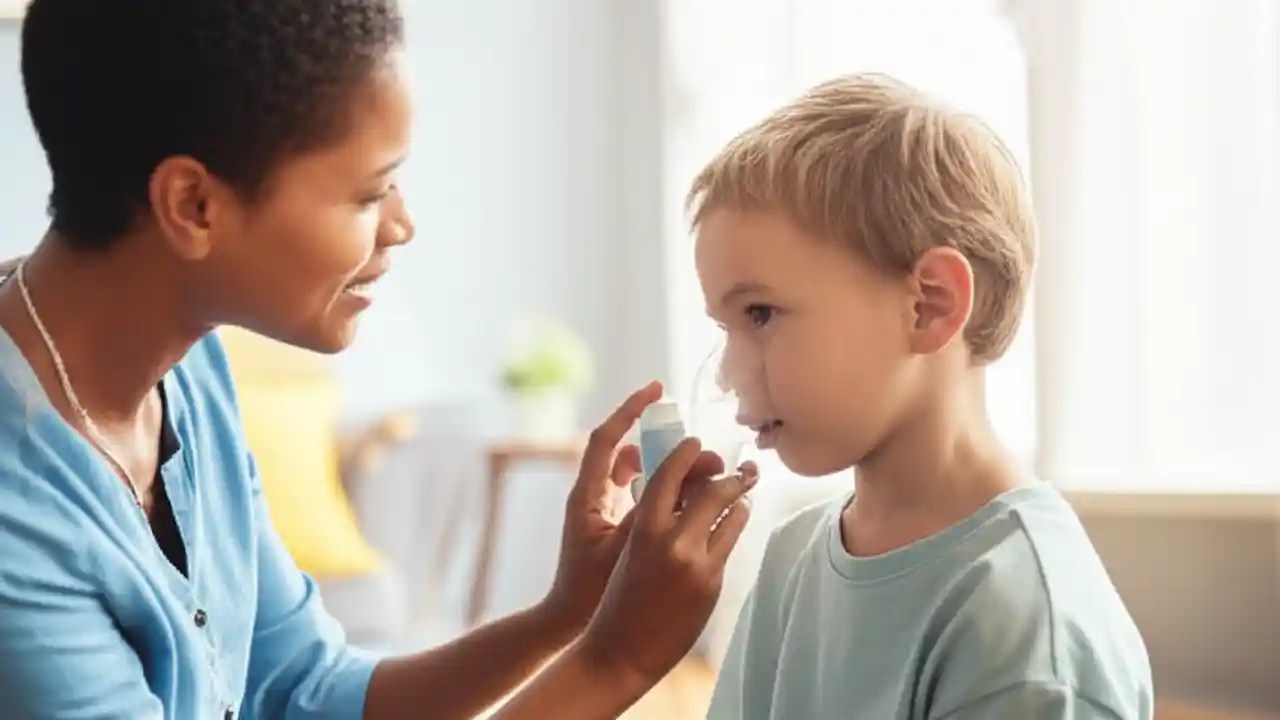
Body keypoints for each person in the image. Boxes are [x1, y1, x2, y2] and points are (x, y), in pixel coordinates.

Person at [0, 1, 756, 718]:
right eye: (370, 194)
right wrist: (617, 660)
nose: (402, 224)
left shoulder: (188, 372)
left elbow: (307, 692)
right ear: (194, 205)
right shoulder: (17, 524)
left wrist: (566, 613)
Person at [691, 75, 1154, 719]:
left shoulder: (1024, 633)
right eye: (726, 328)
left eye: (760, 314)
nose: (726, 374)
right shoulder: (791, 560)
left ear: (929, 304)